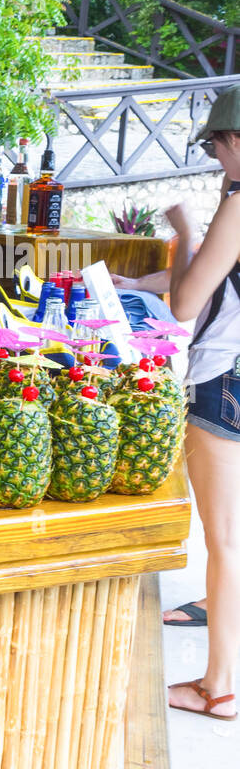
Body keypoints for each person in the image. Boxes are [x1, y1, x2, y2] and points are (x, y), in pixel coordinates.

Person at [161, 84, 240, 720]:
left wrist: (185, 230)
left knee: (224, 542)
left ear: (236, 140)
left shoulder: (239, 205)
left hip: (226, 380)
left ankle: (218, 688)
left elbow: (187, 303)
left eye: (216, 142)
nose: (215, 156)